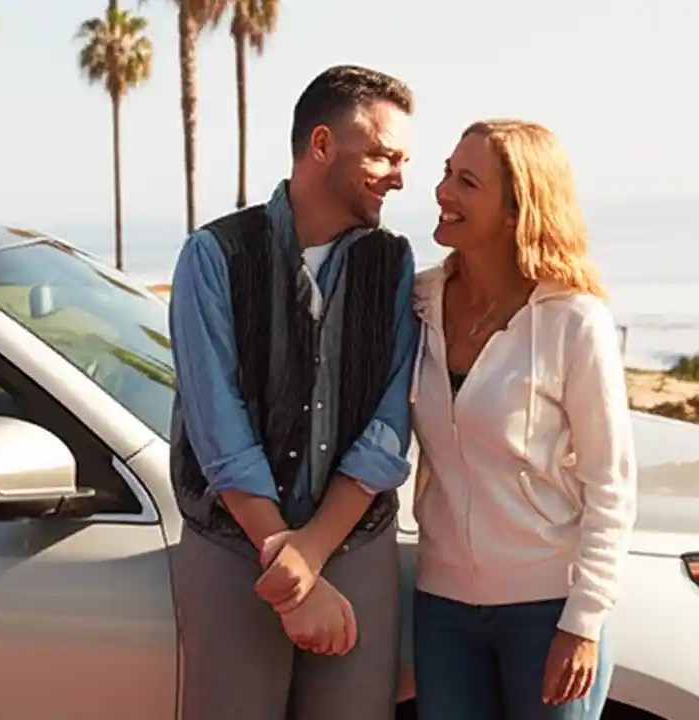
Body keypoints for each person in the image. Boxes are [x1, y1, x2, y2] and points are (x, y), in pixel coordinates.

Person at [167, 64, 419, 720]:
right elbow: (216, 423)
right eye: (385, 155)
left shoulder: (393, 265)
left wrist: (311, 550)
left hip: (355, 540)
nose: (399, 175)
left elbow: (391, 419)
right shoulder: (213, 255)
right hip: (231, 543)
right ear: (322, 145)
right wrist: (283, 558)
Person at [409, 119, 638, 720]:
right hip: (443, 607)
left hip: (547, 606)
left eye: (466, 182)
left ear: (516, 211)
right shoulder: (417, 302)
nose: (442, 193)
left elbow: (611, 484)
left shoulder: (572, 321)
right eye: (445, 173)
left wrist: (584, 621)